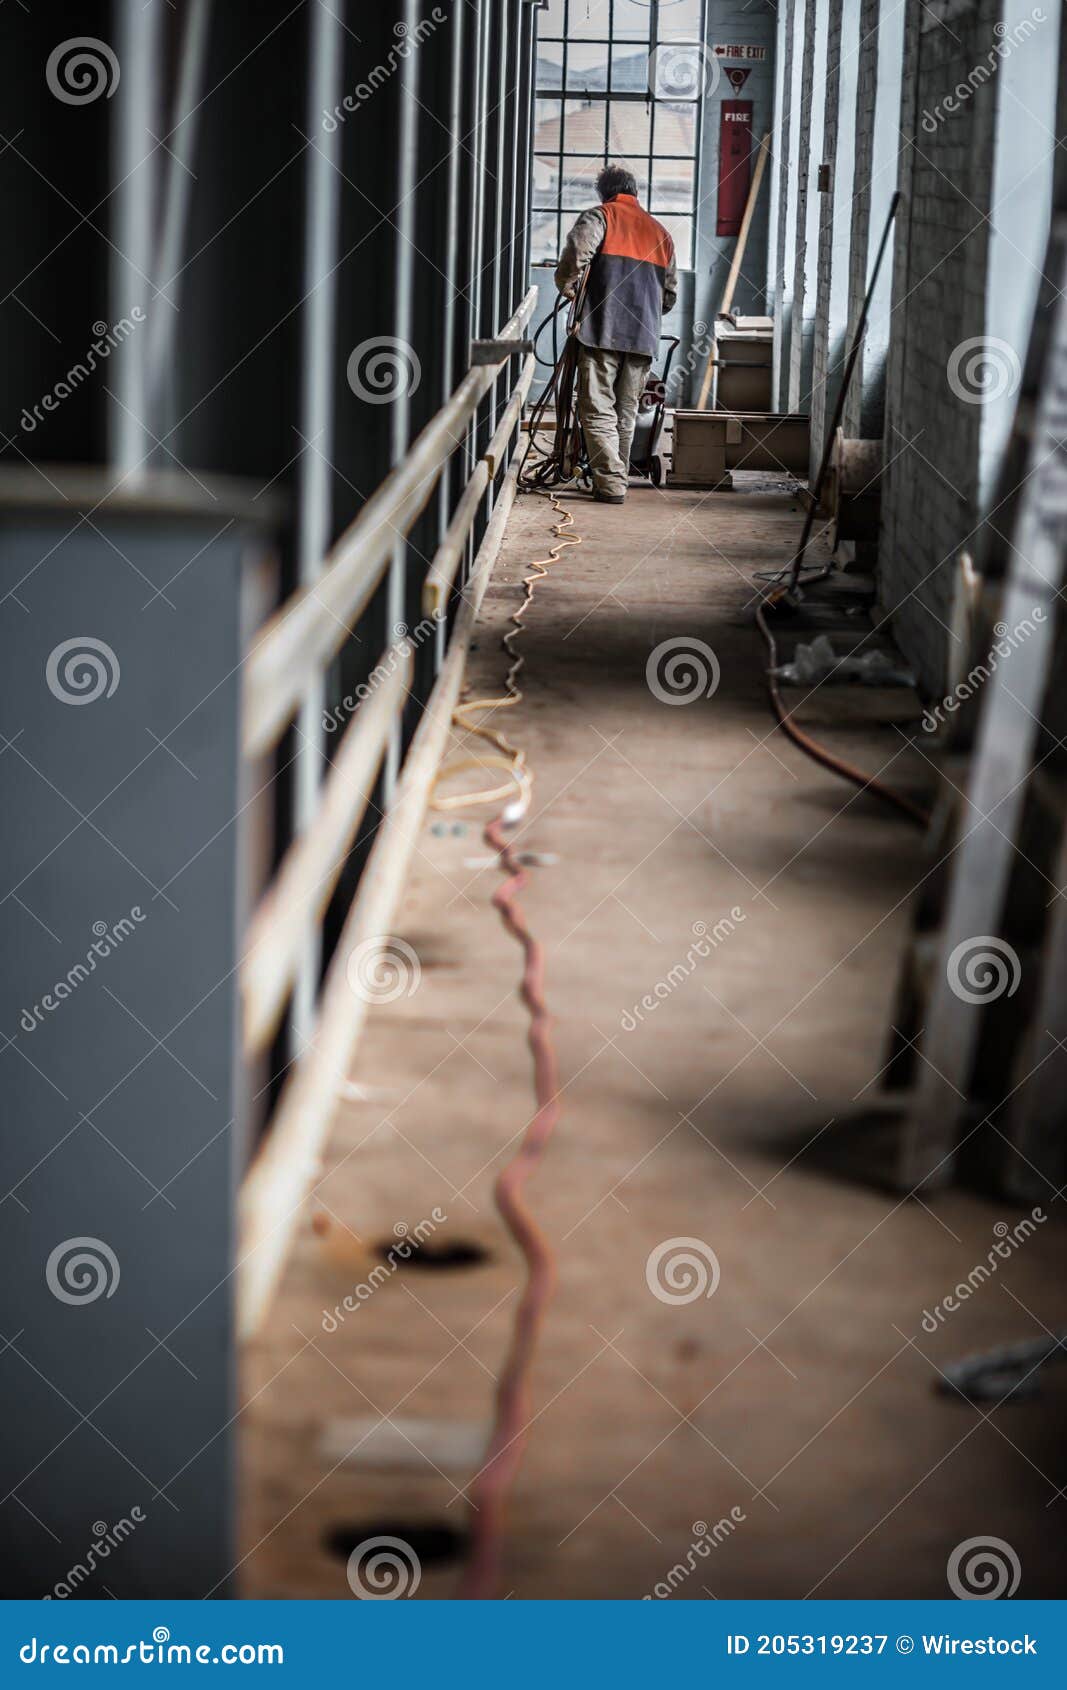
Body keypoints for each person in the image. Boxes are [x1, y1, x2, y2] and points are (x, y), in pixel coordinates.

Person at [554, 164, 677, 505]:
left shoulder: (599, 217)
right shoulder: (661, 233)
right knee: (625, 411)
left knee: (596, 410)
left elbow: (576, 256)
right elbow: (669, 296)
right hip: (643, 338)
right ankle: (614, 478)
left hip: (600, 331)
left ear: (605, 193)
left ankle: (610, 484)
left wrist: (568, 287)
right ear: (634, 193)